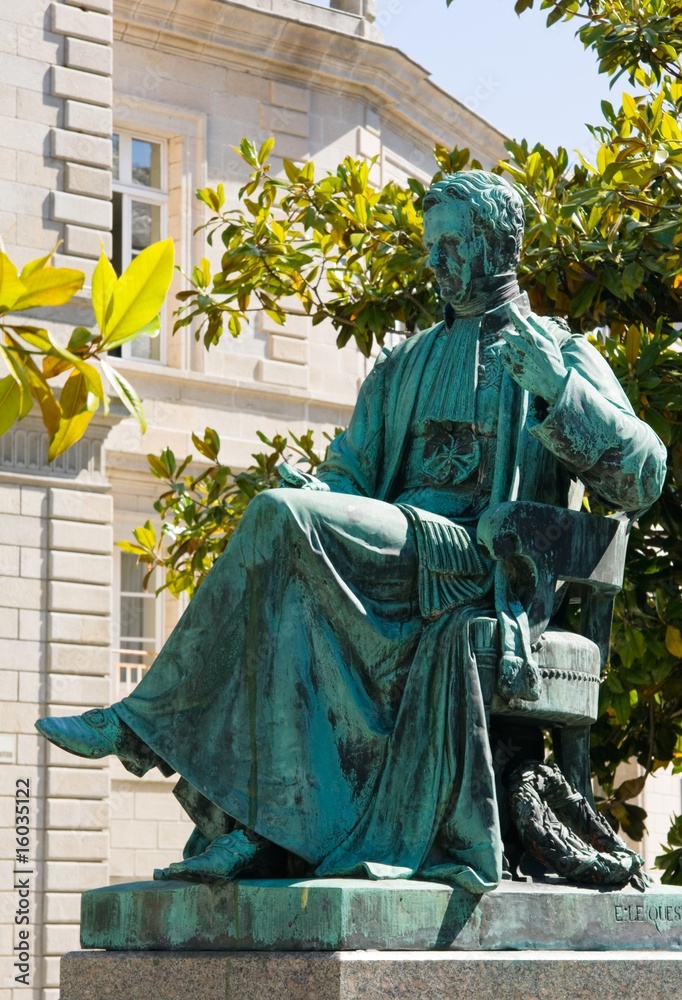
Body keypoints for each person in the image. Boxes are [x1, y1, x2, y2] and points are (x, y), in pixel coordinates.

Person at [36, 172, 666, 894]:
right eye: (431, 246)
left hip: (482, 565)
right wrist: (323, 492)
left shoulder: (557, 349)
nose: (435, 262)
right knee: (285, 539)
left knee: (279, 519)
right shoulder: (405, 361)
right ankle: (264, 828)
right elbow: (349, 472)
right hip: (392, 551)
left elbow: (643, 477)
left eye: (452, 244)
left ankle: (144, 727)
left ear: (496, 245)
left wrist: (561, 393)